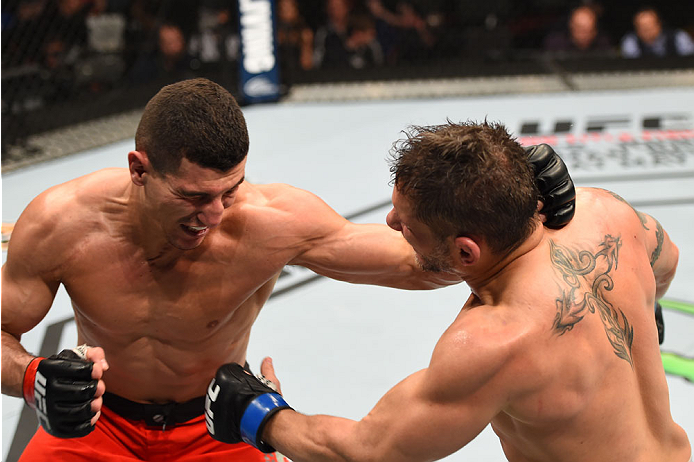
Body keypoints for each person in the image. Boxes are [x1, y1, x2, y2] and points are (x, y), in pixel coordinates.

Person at [1, 79, 574, 461]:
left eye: (232, 190)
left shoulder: (272, 222)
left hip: (218, 427)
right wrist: (33, 377)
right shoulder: (61, 224)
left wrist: (520, 218)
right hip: (97, 429)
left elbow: (419, 263)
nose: (216, 215)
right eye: (195, 197)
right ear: (139, 169)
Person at [206, 120, 691, 462]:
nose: (392, 223)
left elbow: (368, 452)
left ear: (465, 253)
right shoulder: (606, 213)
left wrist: (257, 414)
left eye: (407, 225)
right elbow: (665, 258)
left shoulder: (495, 341)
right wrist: (643, 311)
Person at [621, 6, 694, 58]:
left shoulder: (678, 37)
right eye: (642, 28)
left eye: (649, 26)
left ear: (659, 25)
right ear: (636, 29)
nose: (647, 31)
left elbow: (690, 61)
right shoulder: (631, 41)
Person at [543, 5, 613, 56]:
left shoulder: (603, 44)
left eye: (589, 31)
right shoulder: (556, 44)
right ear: (571, 27)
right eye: (581, 30)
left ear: (595, 31)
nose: (585, 35)